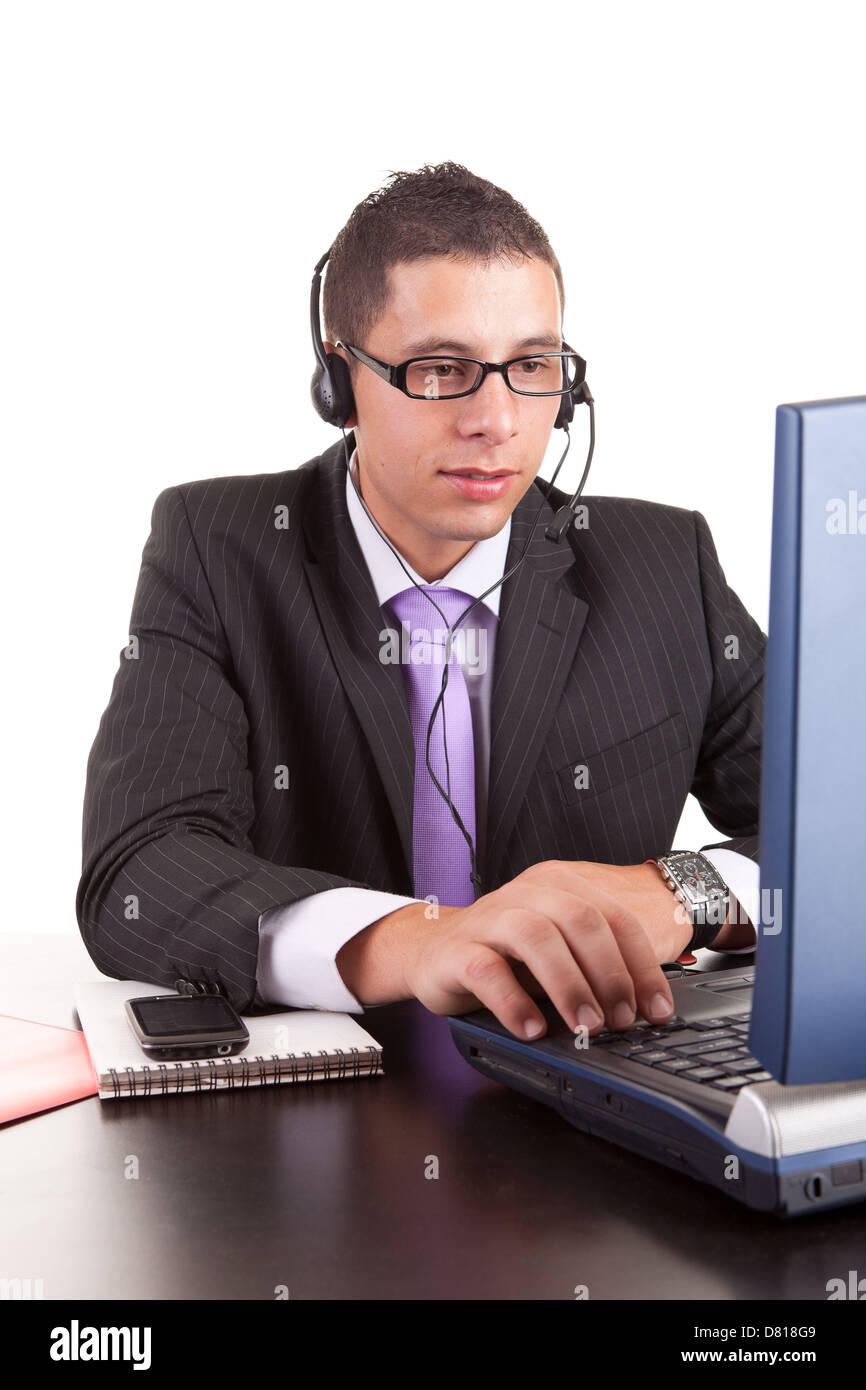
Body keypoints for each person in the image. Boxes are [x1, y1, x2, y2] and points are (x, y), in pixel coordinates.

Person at [77, 161, 763, 1044]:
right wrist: (416, 942)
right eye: (441, 370)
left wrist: (680, 890)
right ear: (339, 382)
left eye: (533, 366)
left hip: (604, 1094)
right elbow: (139, 872)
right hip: (326, 1134)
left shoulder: (666, 564)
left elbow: (837, 824)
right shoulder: (217, 548)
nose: (498, 420)